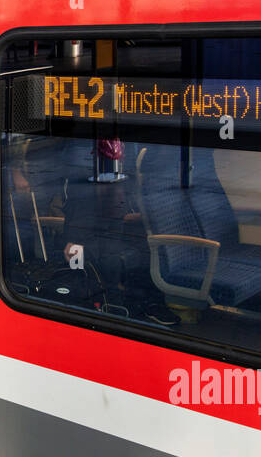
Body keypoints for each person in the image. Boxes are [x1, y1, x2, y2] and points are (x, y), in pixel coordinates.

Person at [62, 138, 179, 326]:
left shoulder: (125, 143)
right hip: (88, 221)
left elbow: (128, 180)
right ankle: (111, 306)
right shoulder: (81, 148)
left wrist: (131, 209)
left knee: (144, 245)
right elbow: (78, 194)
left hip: (116, 213)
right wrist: (75, 238)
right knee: (106, 258)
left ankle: (145, 303)